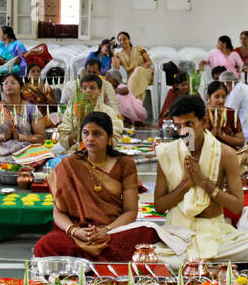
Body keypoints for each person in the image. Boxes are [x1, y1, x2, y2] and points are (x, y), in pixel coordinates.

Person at [152, 94, 248, 267]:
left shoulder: (225, 154)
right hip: (178, 232)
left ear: (204, 122)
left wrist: (204, 183)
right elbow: (159, 207)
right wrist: (185, 185)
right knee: (150, 257)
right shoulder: (167, 152)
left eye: (189, 124)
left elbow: (236, 206)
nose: (183, 132)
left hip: (215, 231)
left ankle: (193, 264)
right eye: (178, 126)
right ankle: (209, 264)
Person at [35, 111, 161, 261]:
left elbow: (130, 211)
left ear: (109, 138)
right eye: (86, 133)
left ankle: (83, 259)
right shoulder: (70, 164)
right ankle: (101, 259)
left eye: (97, 134)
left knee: (148, 233)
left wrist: (105, 231)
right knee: (44, 245)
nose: (90, 139)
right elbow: (59, 213)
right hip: (78, 233)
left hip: (113, 231)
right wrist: (75, 231)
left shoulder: (124, 164)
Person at [54, 74, 122, 149]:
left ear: (100, 91)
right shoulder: (71, 110)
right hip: (75, 152)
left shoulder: (108, 111)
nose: (88, 91)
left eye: (92, 88)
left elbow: (113, 137)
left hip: (101, 154)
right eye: (85, 88)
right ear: (80, 91)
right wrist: (78, 134)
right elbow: (63, 137)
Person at [114, 32, 153, 108]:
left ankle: (126, 100)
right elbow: (116, 67)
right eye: (120, 40)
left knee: (138, 70)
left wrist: (142, 67)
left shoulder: (139, 48)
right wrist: (112, 52)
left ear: (129, 40)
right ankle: (135, 107)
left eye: (124, 39)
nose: (122, 41)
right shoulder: (118, 55)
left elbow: (149, 61)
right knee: (137, 82)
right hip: (132, 77)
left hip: (145, 72)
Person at [203, 79, 245, 150]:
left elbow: (241, 142)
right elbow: (195, 142)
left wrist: (222, 135)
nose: (221, 101)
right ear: (208, 97)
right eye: (217, 97)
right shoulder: (202, 113)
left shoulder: (231, 112)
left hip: (230, 155)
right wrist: (211, 135)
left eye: (224, 97)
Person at [223, 72, 248, 145]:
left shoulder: (237, 90)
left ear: (227, 84)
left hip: (247, 136)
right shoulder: (244, 88)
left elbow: (229, 113)